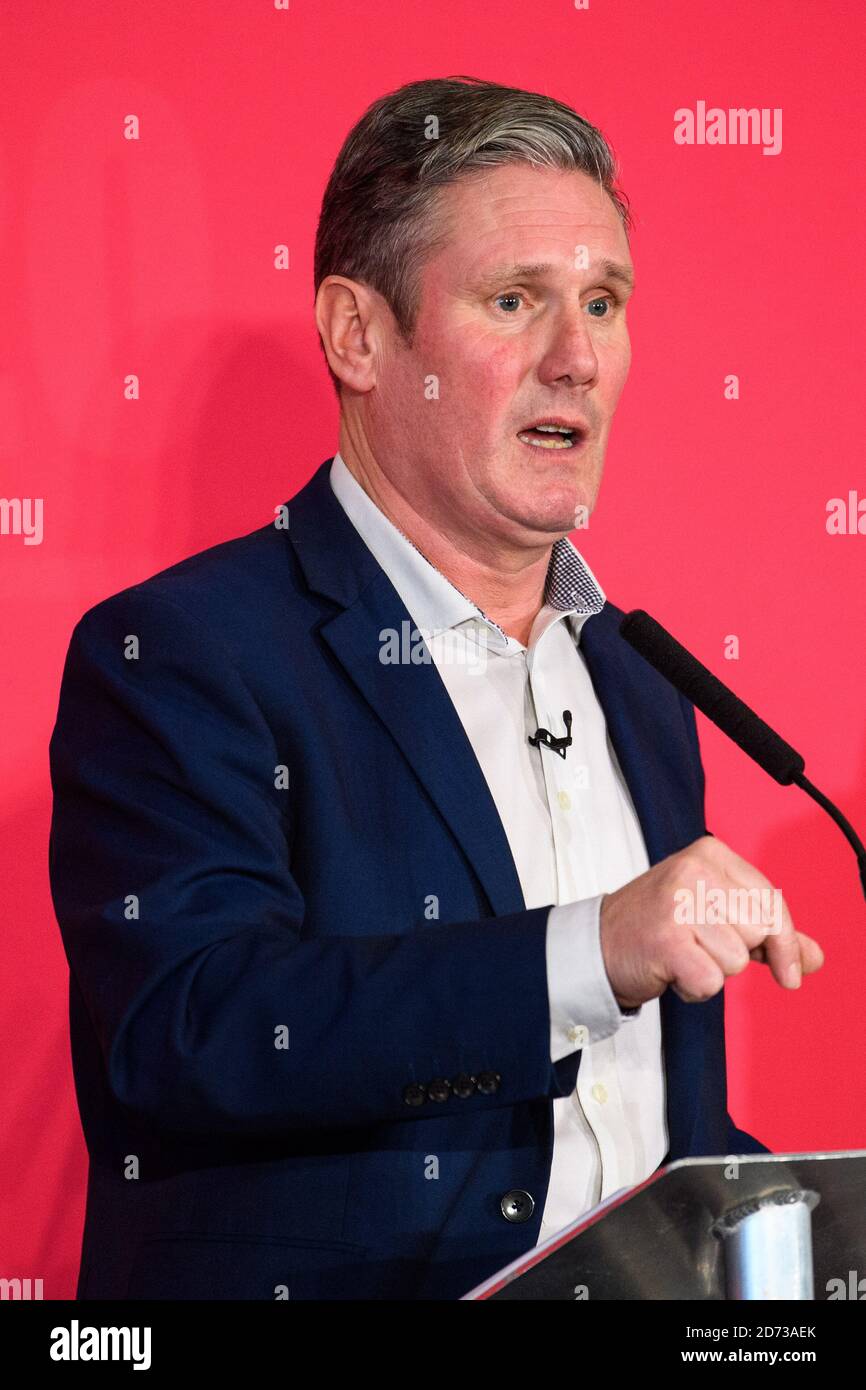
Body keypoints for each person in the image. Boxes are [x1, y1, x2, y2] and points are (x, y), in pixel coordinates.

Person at [48, 75, 823, 1302]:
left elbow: (645, 1143)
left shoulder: (636, 680)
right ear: (359, 336)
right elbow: (186, 1028)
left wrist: (800, 1229)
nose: (575, 358)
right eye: (513, 300)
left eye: (603, 302)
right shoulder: (183, 652)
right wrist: (588, 947)